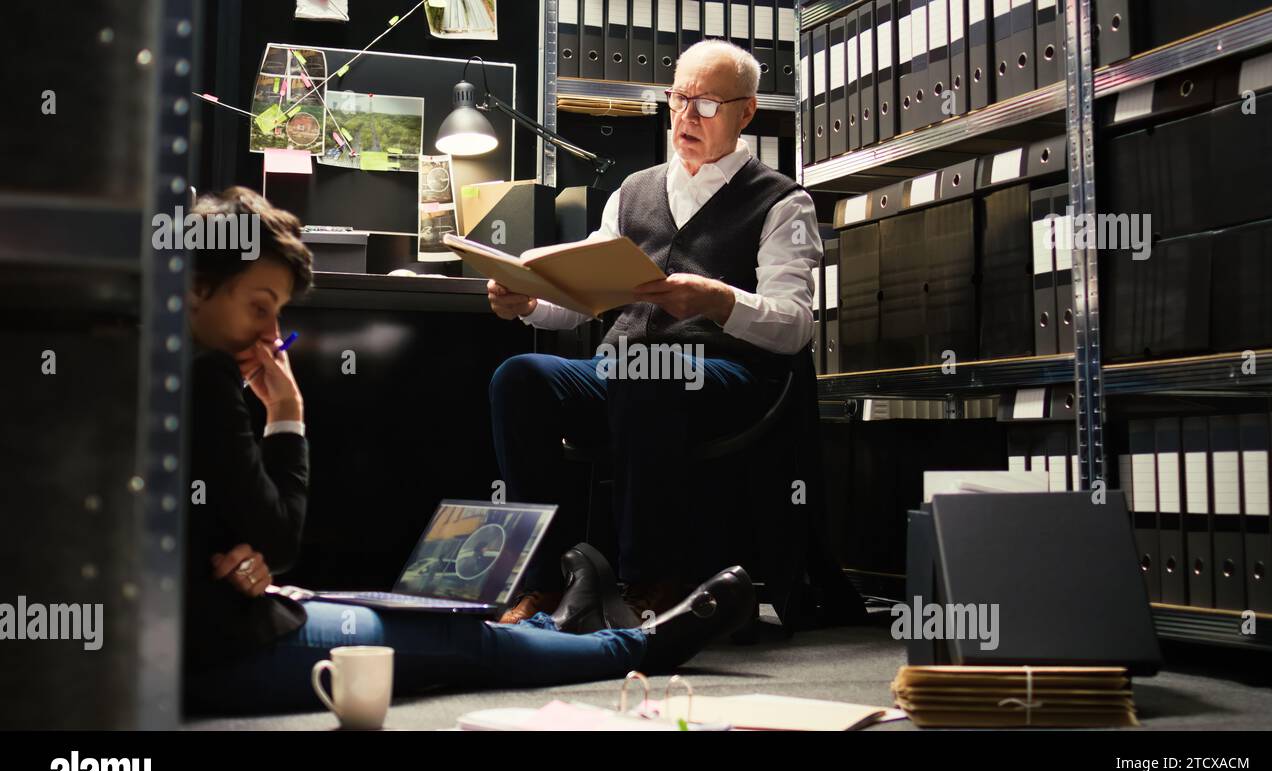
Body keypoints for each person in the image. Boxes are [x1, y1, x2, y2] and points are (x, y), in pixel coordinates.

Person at [182, 187, 754, 715]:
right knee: (461, 642)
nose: (272, 335)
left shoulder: (159, 359)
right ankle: (640, 645)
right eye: (260, 308)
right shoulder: (206, 376)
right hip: (219, 645)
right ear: (196, 290)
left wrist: (223, 548)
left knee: (410, 613)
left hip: (224, 617)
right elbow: (276, 539)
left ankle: (559, 622)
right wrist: (287, 414)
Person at [487, 39, 823, 623]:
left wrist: (720, 301)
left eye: (707, 105)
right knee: (520, 378)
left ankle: (650, 581)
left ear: (747, 112)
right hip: (621, 373)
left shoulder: (782, 202)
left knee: (643, 373)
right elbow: (582, 300)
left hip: (726, 378)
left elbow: (794, 324)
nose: (687, 117)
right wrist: (527, 302)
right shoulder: (632, 192)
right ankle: (543, 580)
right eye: (678, 99)